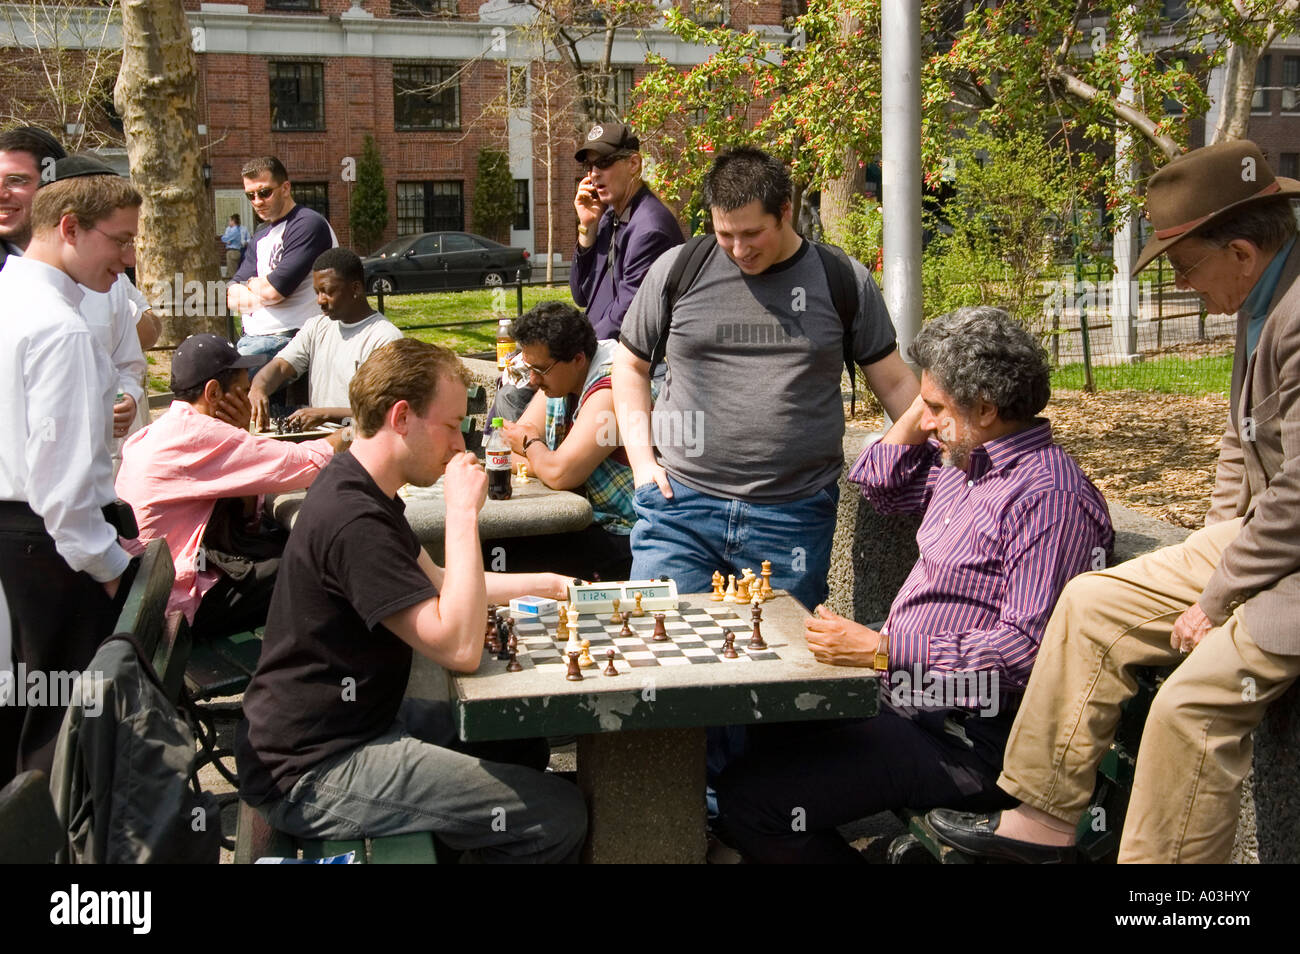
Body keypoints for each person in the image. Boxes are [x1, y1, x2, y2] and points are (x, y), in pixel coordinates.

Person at [927, 140, 1300, 864]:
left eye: (1187, 268)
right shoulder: (1267, 298)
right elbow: (1241, 446)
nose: (1185, 287)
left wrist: (1217, 594)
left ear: (1245, 253)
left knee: (1188, 712)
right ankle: (1041, 821)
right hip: (1269, 545)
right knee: (1090, 604)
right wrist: (1209, 548)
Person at [713, 307, 1113, 863]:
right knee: (759, 735)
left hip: (968, 740)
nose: (923, 421)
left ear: (987, 409)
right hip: (906, 701)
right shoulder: (965, 461)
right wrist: (932, 407)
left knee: (752, 802)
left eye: (935, 407)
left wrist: (882, 650)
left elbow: (1026, 653)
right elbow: (875, 480)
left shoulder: (1049, 500)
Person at [235, 338, 587, 862]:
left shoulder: (361, 486)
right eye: (450, 426)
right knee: (558, 814)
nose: (458, 446)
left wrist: (552, 584)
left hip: (350, 727)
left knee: (518, 738)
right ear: (402, 417)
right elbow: (458, 647)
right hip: (313, 766)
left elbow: (444, 583)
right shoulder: (354, 520)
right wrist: (463, 514)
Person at [613, 146, 919, 613]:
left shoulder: (842, 280)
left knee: (779, 669)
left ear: (785, 212)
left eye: (752, 232)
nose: (739, 249)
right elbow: (629, 363)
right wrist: (642, 466)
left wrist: (960, 464)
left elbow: (897, 385)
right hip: (680, 508)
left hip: (792, 517)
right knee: (663, 660)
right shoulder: (678, 268)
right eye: (724, 234)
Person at [0, 168, 141, 783]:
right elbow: (64, 491)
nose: (127, 259)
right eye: (119, 240)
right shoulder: (62, 331)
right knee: (63, 730)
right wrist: (111, 570)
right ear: (69, 228)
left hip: (22, 541)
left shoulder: (13, 303)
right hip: (51, 548)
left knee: (27, 711)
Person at [116, 334, 349, 642]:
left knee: (292, 553)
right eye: (242, 392)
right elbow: (304, 463)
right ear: (213, 392)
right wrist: (353, 432)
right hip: (173, 606)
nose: (249, 400)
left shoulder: (158, 431)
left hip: (147, 592)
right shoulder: (200, 434)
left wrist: (239, 433)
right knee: (317, 567)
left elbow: (247, 518)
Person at [496, 301, 643, 581]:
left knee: (505, 554)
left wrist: (531, 446)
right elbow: (506, 449)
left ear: (578, 359)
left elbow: (559, 473)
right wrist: (543, 458)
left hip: (628, 533)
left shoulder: (612, 386)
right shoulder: (558, 380)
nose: (533, 380)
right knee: (497, 544)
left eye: (540, 369)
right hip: (589, 522)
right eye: (529, 368)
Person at [247, 247, 403, 431]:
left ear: (356, 288)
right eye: (317, 292)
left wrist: (323, 414)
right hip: (316, 440)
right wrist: (259, 388)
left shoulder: (384, 338)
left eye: (327, 291)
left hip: (357, 440)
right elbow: (281, 366)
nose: (320, 300)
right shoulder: (316, 327)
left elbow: (382, 411)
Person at [570, 120, 684, 340]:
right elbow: (582, 295)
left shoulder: (650, 230)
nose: (594, 174)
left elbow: (624, 318)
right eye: (590, 166)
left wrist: (576, 352)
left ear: (633, 164)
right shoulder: (609, 216)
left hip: (634, 363)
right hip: (605, 351)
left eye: (604, 162)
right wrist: (587, 227)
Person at [227, 156, 337, 377]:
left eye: (265, 192)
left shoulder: (307, 224)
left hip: (291, 337)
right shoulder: (260, 234)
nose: (257, 201)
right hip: (253, 337)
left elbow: (275, 291)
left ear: (286, 188)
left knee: (226, 387)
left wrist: (256, 287)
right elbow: (231, 296)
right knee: (206, 375)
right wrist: (258, 286)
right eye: (250, 195)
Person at [220, 213, 250, 277]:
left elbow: (225, 238)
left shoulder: (235, 230)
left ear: (233, 221)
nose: (229, 222)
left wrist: (224, 238)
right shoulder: (230, 229)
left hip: (234, 251)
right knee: (230, 270)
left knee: (232, 271)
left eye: (230, 221)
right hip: (233, 250)